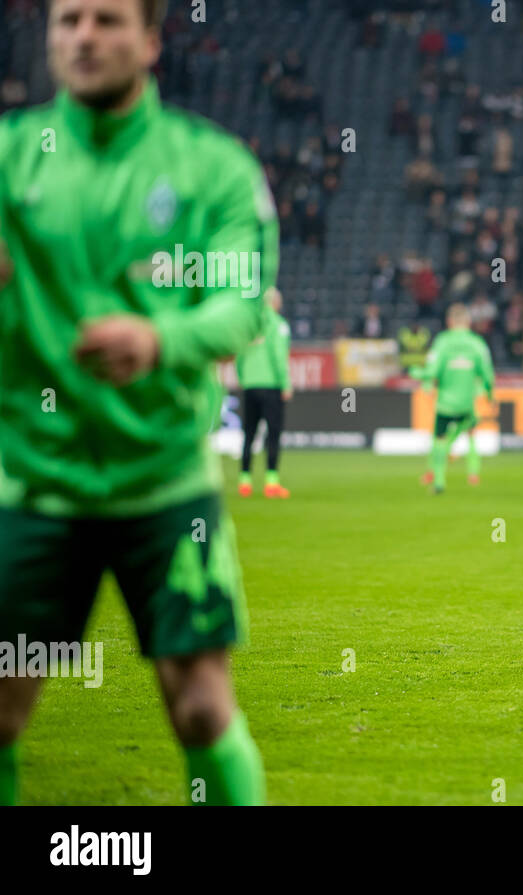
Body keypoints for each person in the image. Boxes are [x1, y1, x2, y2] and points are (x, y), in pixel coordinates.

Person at [0, 0, 276, 805]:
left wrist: (160, 341)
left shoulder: (212, 168)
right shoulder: (14, 159)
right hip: (33, 482)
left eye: (108, 20)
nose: (85, 36)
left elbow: (242, 303)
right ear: (49, 36)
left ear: (151, 39)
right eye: (69, 20)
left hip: (165, 483)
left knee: (198, 704)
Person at [410, 303, 494, 494]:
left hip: (445, 405)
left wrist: (416, 373)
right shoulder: (477, 344)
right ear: (468, 321)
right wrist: (490, 395)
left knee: (439, 440)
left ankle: (438, 481)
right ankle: (473, 474)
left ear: (449, 321)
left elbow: (431, 371)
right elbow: (488, 374)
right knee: (471, 436)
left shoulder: (442, 342)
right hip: (467, 405)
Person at [236, 286, 292, 499]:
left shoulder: (250, 326)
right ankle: (271, 482)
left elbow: (239, 357)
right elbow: (279, 356)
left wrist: (244, 379)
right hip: (271, 386)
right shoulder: (278, 325)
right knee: (273, 434)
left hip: (250, 386)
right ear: (276, 304)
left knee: (249, 434)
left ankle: (245, 482)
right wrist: (285, 383)